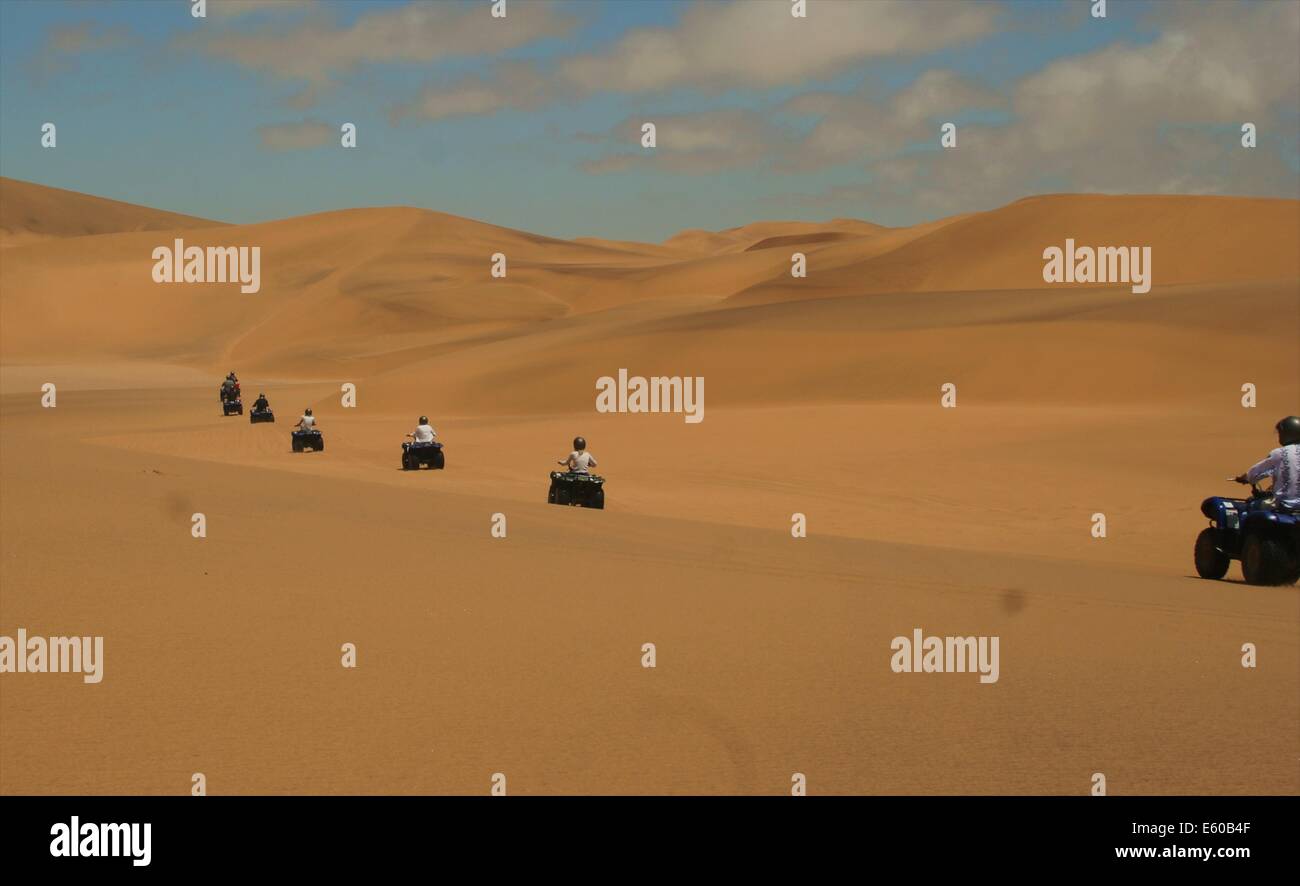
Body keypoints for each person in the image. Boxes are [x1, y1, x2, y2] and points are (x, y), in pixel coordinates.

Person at [1235, 416, 1300, 512]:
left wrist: (1245, 478)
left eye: (1280, 433)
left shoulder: (1279, 453)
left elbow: (1254, 474)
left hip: (1285, 506)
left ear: (1287, 434)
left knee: (1251, 507)